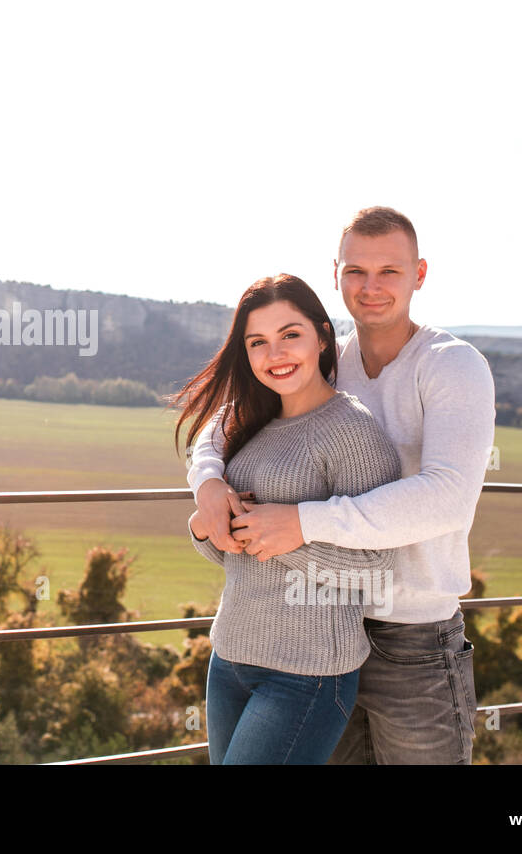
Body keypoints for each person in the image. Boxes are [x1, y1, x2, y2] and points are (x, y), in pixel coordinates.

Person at [188, 206, 496, 764]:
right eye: (356, 271)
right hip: (319, 631)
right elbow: (224, 422)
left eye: (390, 272)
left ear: (420, 274)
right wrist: (208, 483)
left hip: (413, 635)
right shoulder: (328, 360)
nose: (370, 287)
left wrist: (303, 522)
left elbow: (448, 496)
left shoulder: (452, 366)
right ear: (336, 274)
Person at [175, 272, 402, 764]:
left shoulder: (352, 432)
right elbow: (239, 551)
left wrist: (290, 536)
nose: (275, 354)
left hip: (307, 674)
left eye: (290, 335)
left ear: (322, 336)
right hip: (230, 658)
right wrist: (204, 523)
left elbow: (378, 568)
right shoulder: (251, 421)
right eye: (258, 342)